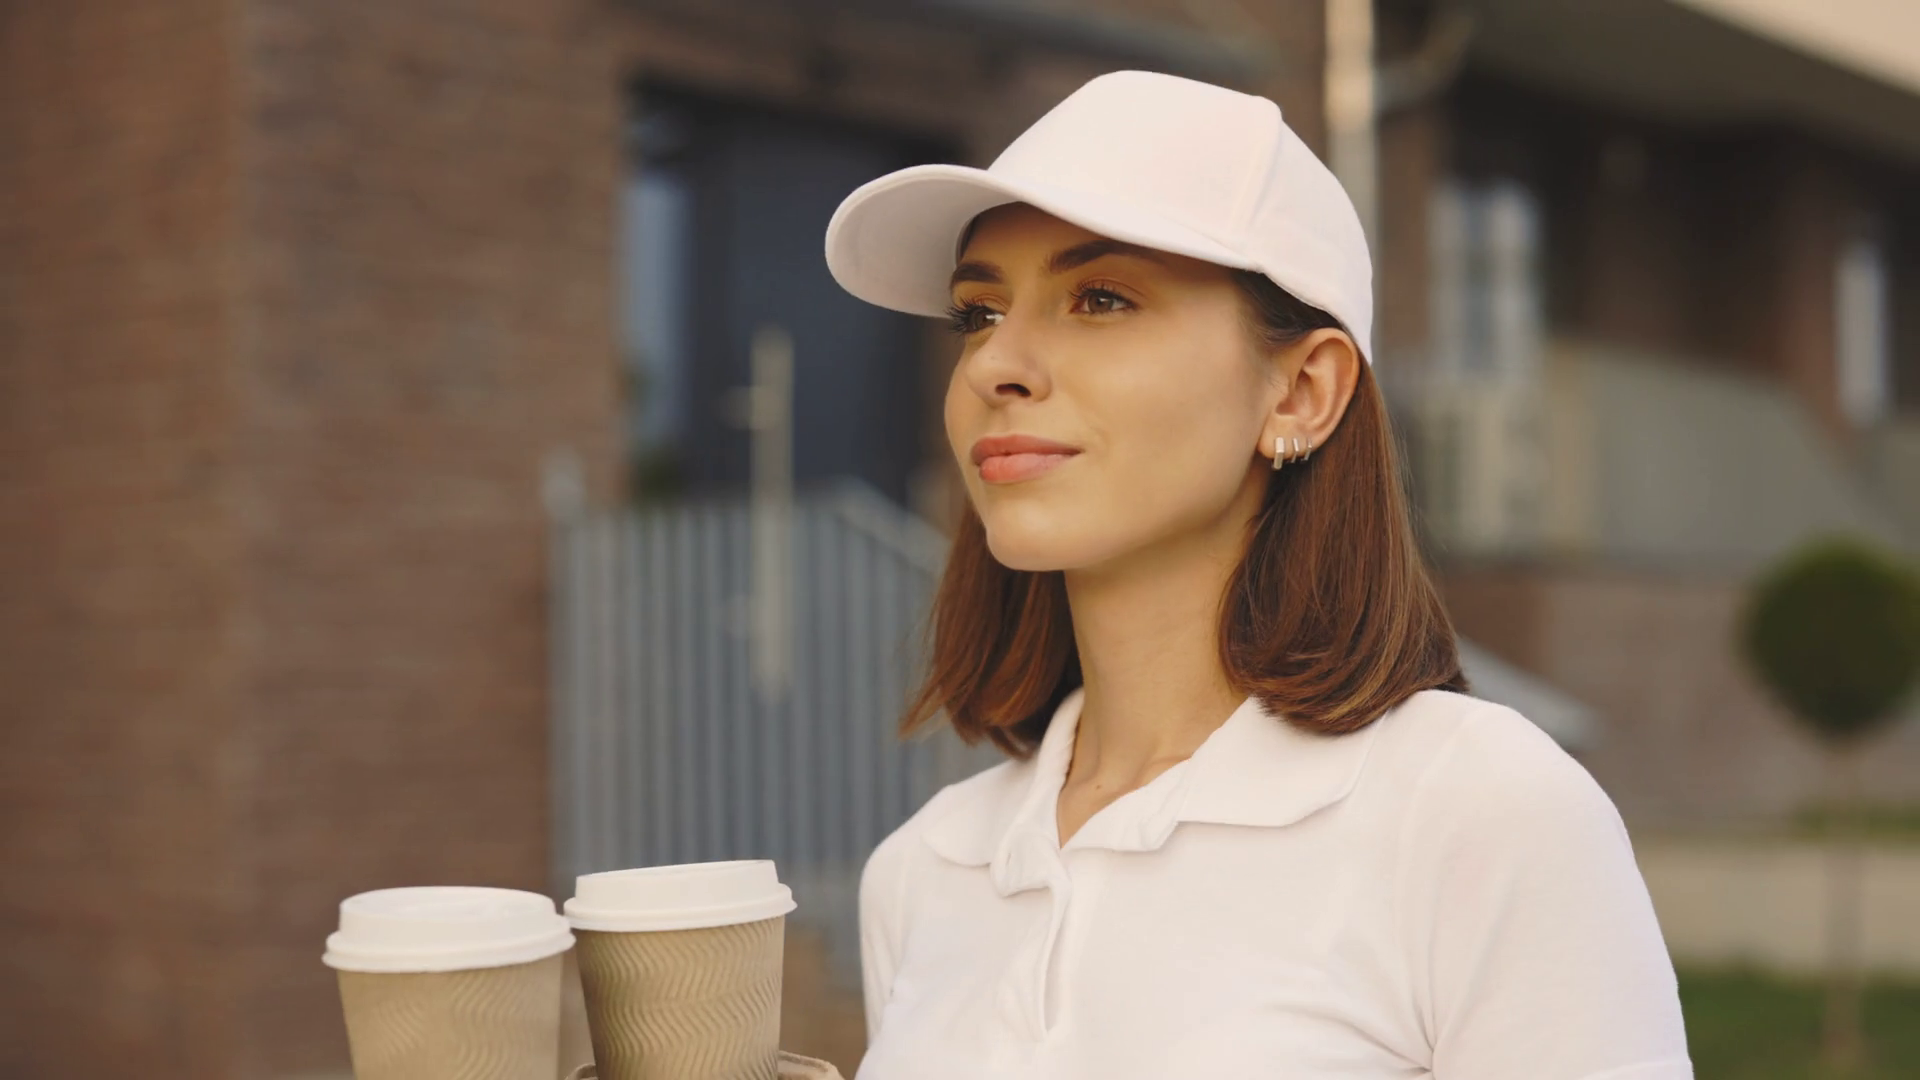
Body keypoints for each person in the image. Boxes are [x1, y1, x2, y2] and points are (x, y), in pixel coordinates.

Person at [821, 70, 1692, 1080]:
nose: (993, 367)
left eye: (1099, 298)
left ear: (1303, 392)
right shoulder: (923, 873)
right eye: (976, 313)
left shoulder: (1478, 813)